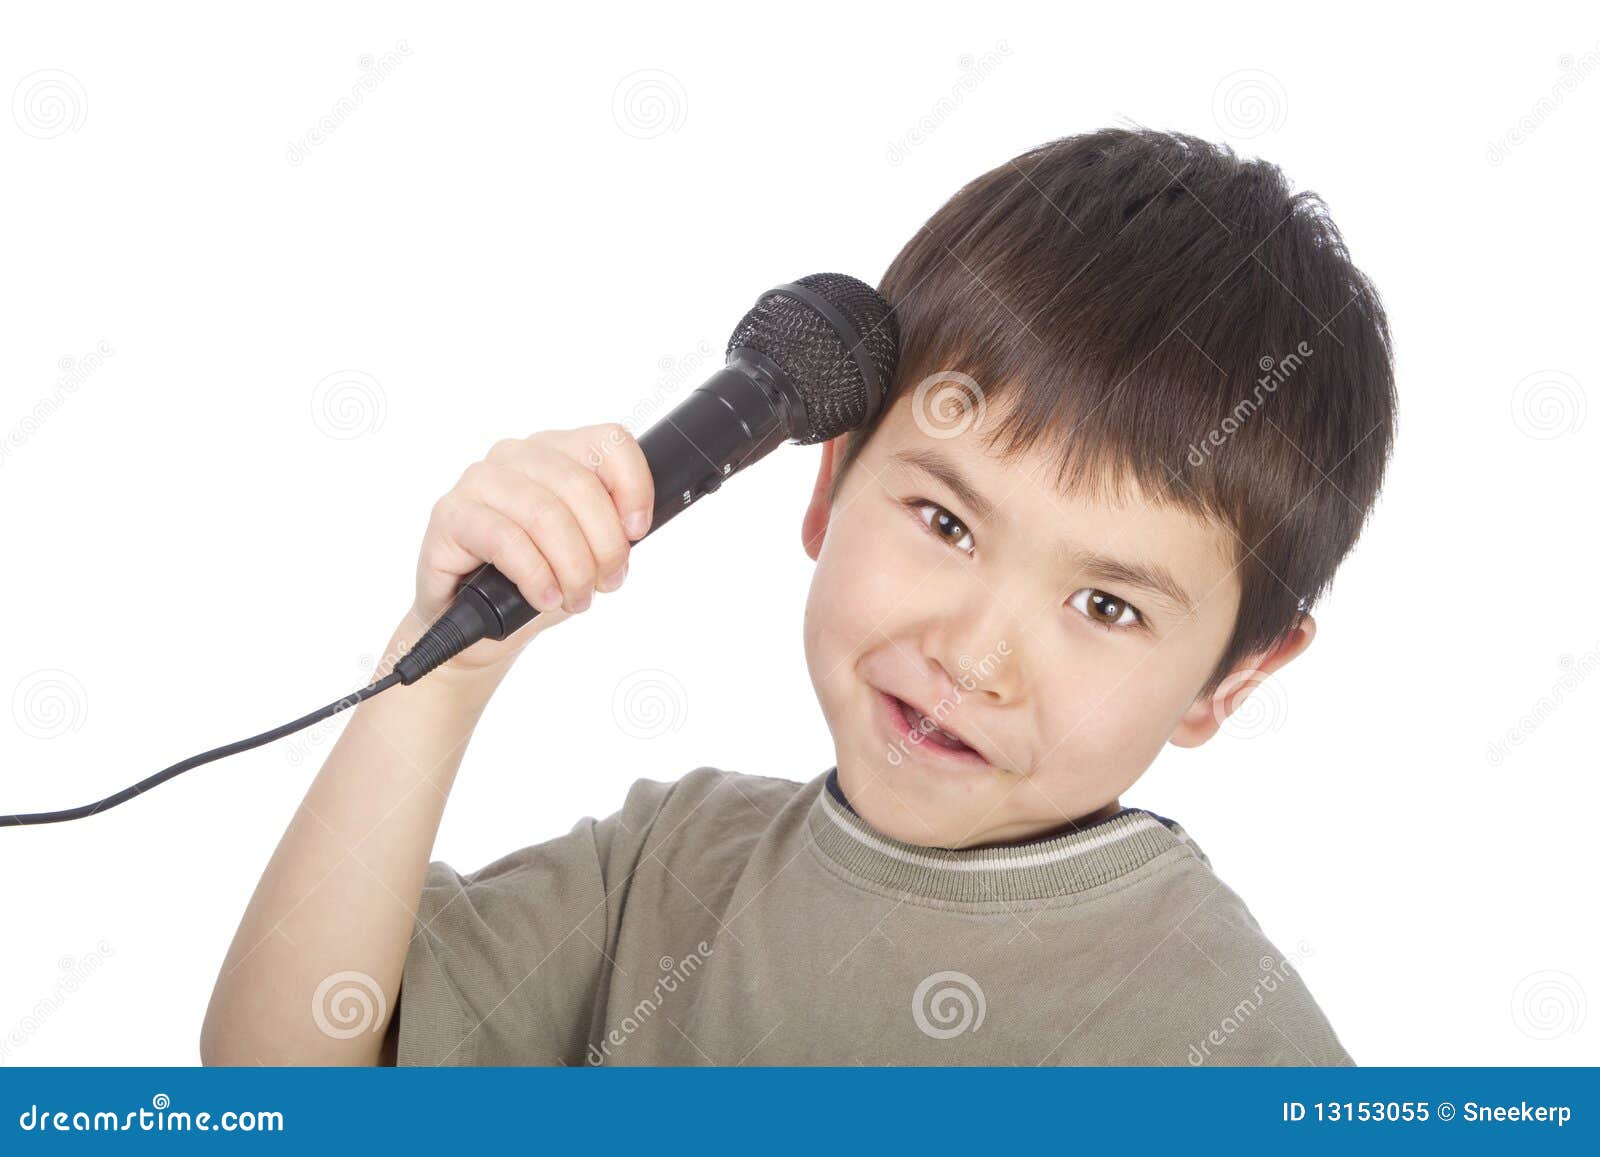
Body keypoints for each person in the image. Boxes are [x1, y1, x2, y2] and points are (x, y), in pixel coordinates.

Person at [201, 126, 1395, 1066]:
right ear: (829, 485)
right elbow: (281, 1080)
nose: (977, 656)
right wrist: (439, 669)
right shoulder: (667, 868)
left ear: (1232, 679)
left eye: (1107, 606)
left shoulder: (1228, 1040)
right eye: (945, 522)